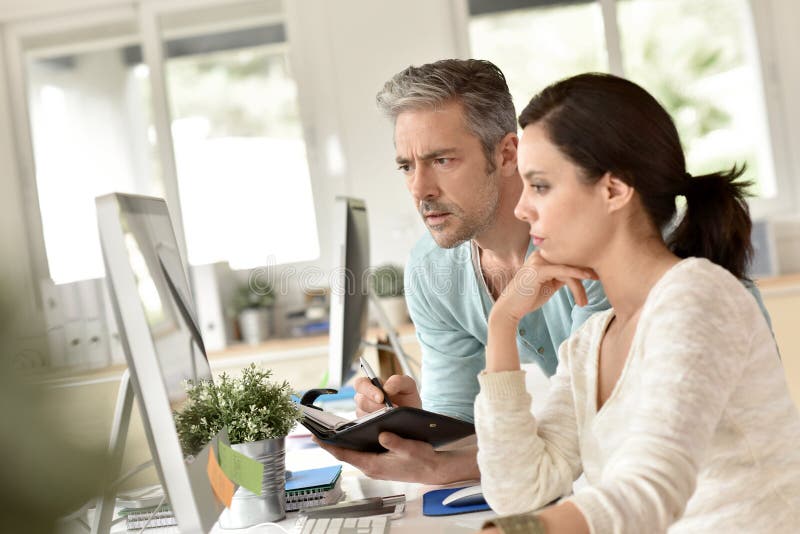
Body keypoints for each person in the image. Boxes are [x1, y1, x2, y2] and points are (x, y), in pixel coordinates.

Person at [475, 73, 800, 534]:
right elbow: (520, 491)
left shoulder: (698, 298)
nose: (521, 209)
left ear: (614, 190)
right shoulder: (591, 340)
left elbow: (652, 488)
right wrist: (502, 323)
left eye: (541, 186)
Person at [316, 59, 610, 484]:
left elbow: (599, 421)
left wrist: (451, 466)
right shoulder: (433, 268)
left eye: (442, 160)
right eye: (406, 166)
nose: (420, 189)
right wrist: (415, 426)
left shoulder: (584, 242)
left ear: (507, 154)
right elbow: (458, 419)